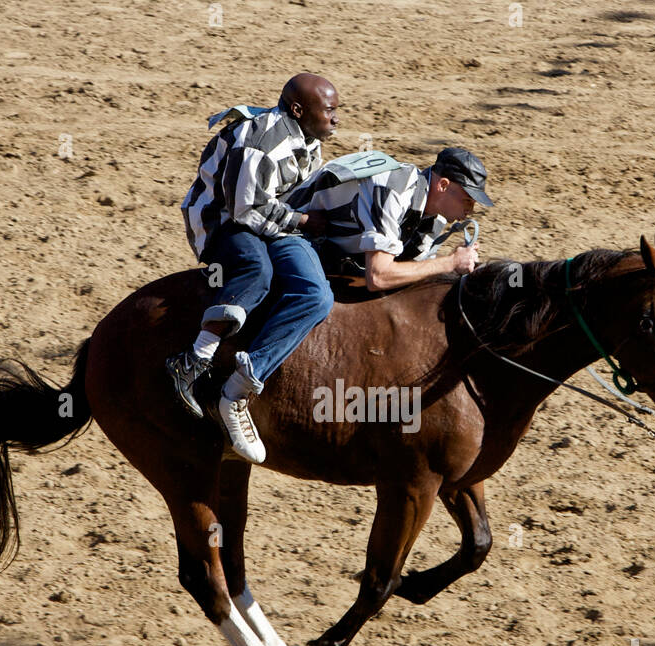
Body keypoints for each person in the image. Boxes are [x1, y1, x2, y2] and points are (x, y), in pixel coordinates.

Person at [169, 73, 340, 464]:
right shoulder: (263, 144)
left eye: (336, 110)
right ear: (299, 110)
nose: (335, 119)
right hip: (222, 221)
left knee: (316, 294)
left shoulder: (309, 140)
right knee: (256, 272)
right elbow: (246, 210)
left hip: (269, 221)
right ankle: (192, 361)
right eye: (328, 110)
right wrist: (301, 223)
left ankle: (242, 383)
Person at [288, 146, 493, 292]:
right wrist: (450, 262)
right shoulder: (394, 188)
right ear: (443, 185)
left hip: (327, 250)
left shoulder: (435, 218)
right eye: (468, 199)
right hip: (288, 227)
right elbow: (379, 277)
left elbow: (412, 273)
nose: (471, 210)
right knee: (316, 298)